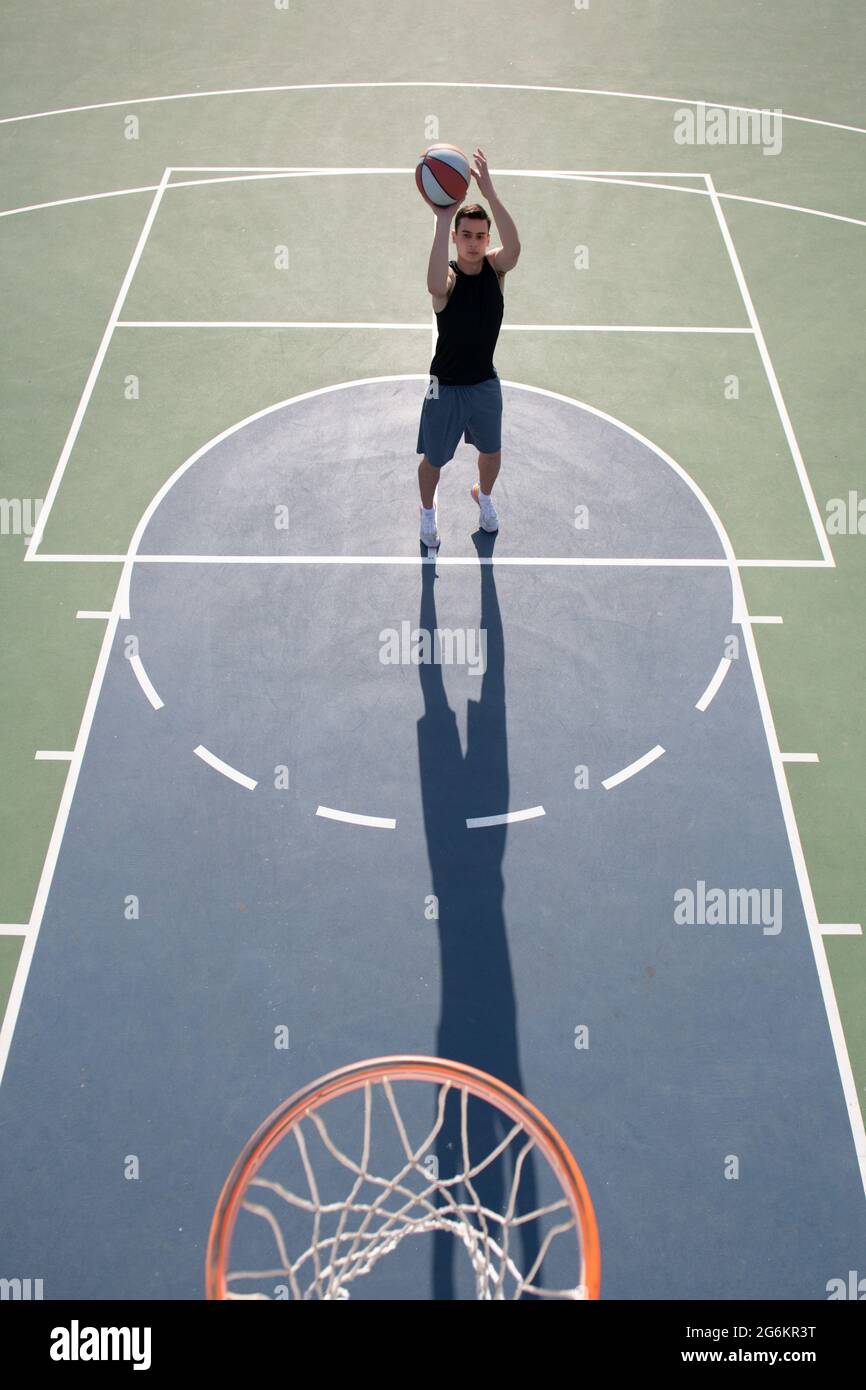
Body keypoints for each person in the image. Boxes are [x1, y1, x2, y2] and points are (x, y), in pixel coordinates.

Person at [416, 148, 521, 549]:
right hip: (445, 387)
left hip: (483, 383)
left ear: (486, 239)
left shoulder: (496, 270)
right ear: (457, 238)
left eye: (480, 236)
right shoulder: (449, 278)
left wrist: (491, 194)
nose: (474, 243)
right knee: (434, 461)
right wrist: (443, 219)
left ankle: (484, 496)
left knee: (492, 454)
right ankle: (428, 512)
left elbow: (515, 250)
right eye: (466, 236)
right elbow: (433, 286)